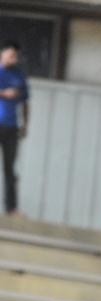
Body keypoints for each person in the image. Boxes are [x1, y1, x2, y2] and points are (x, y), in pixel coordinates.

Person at [0, 40, 29, 216]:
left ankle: (11, 208)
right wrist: (4, 93)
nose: (13, 58)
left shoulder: (19, 75)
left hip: (11, 126)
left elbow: (25, 101)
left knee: (10, 169)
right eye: (10, 54)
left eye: (15, 56)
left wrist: (26, 124)